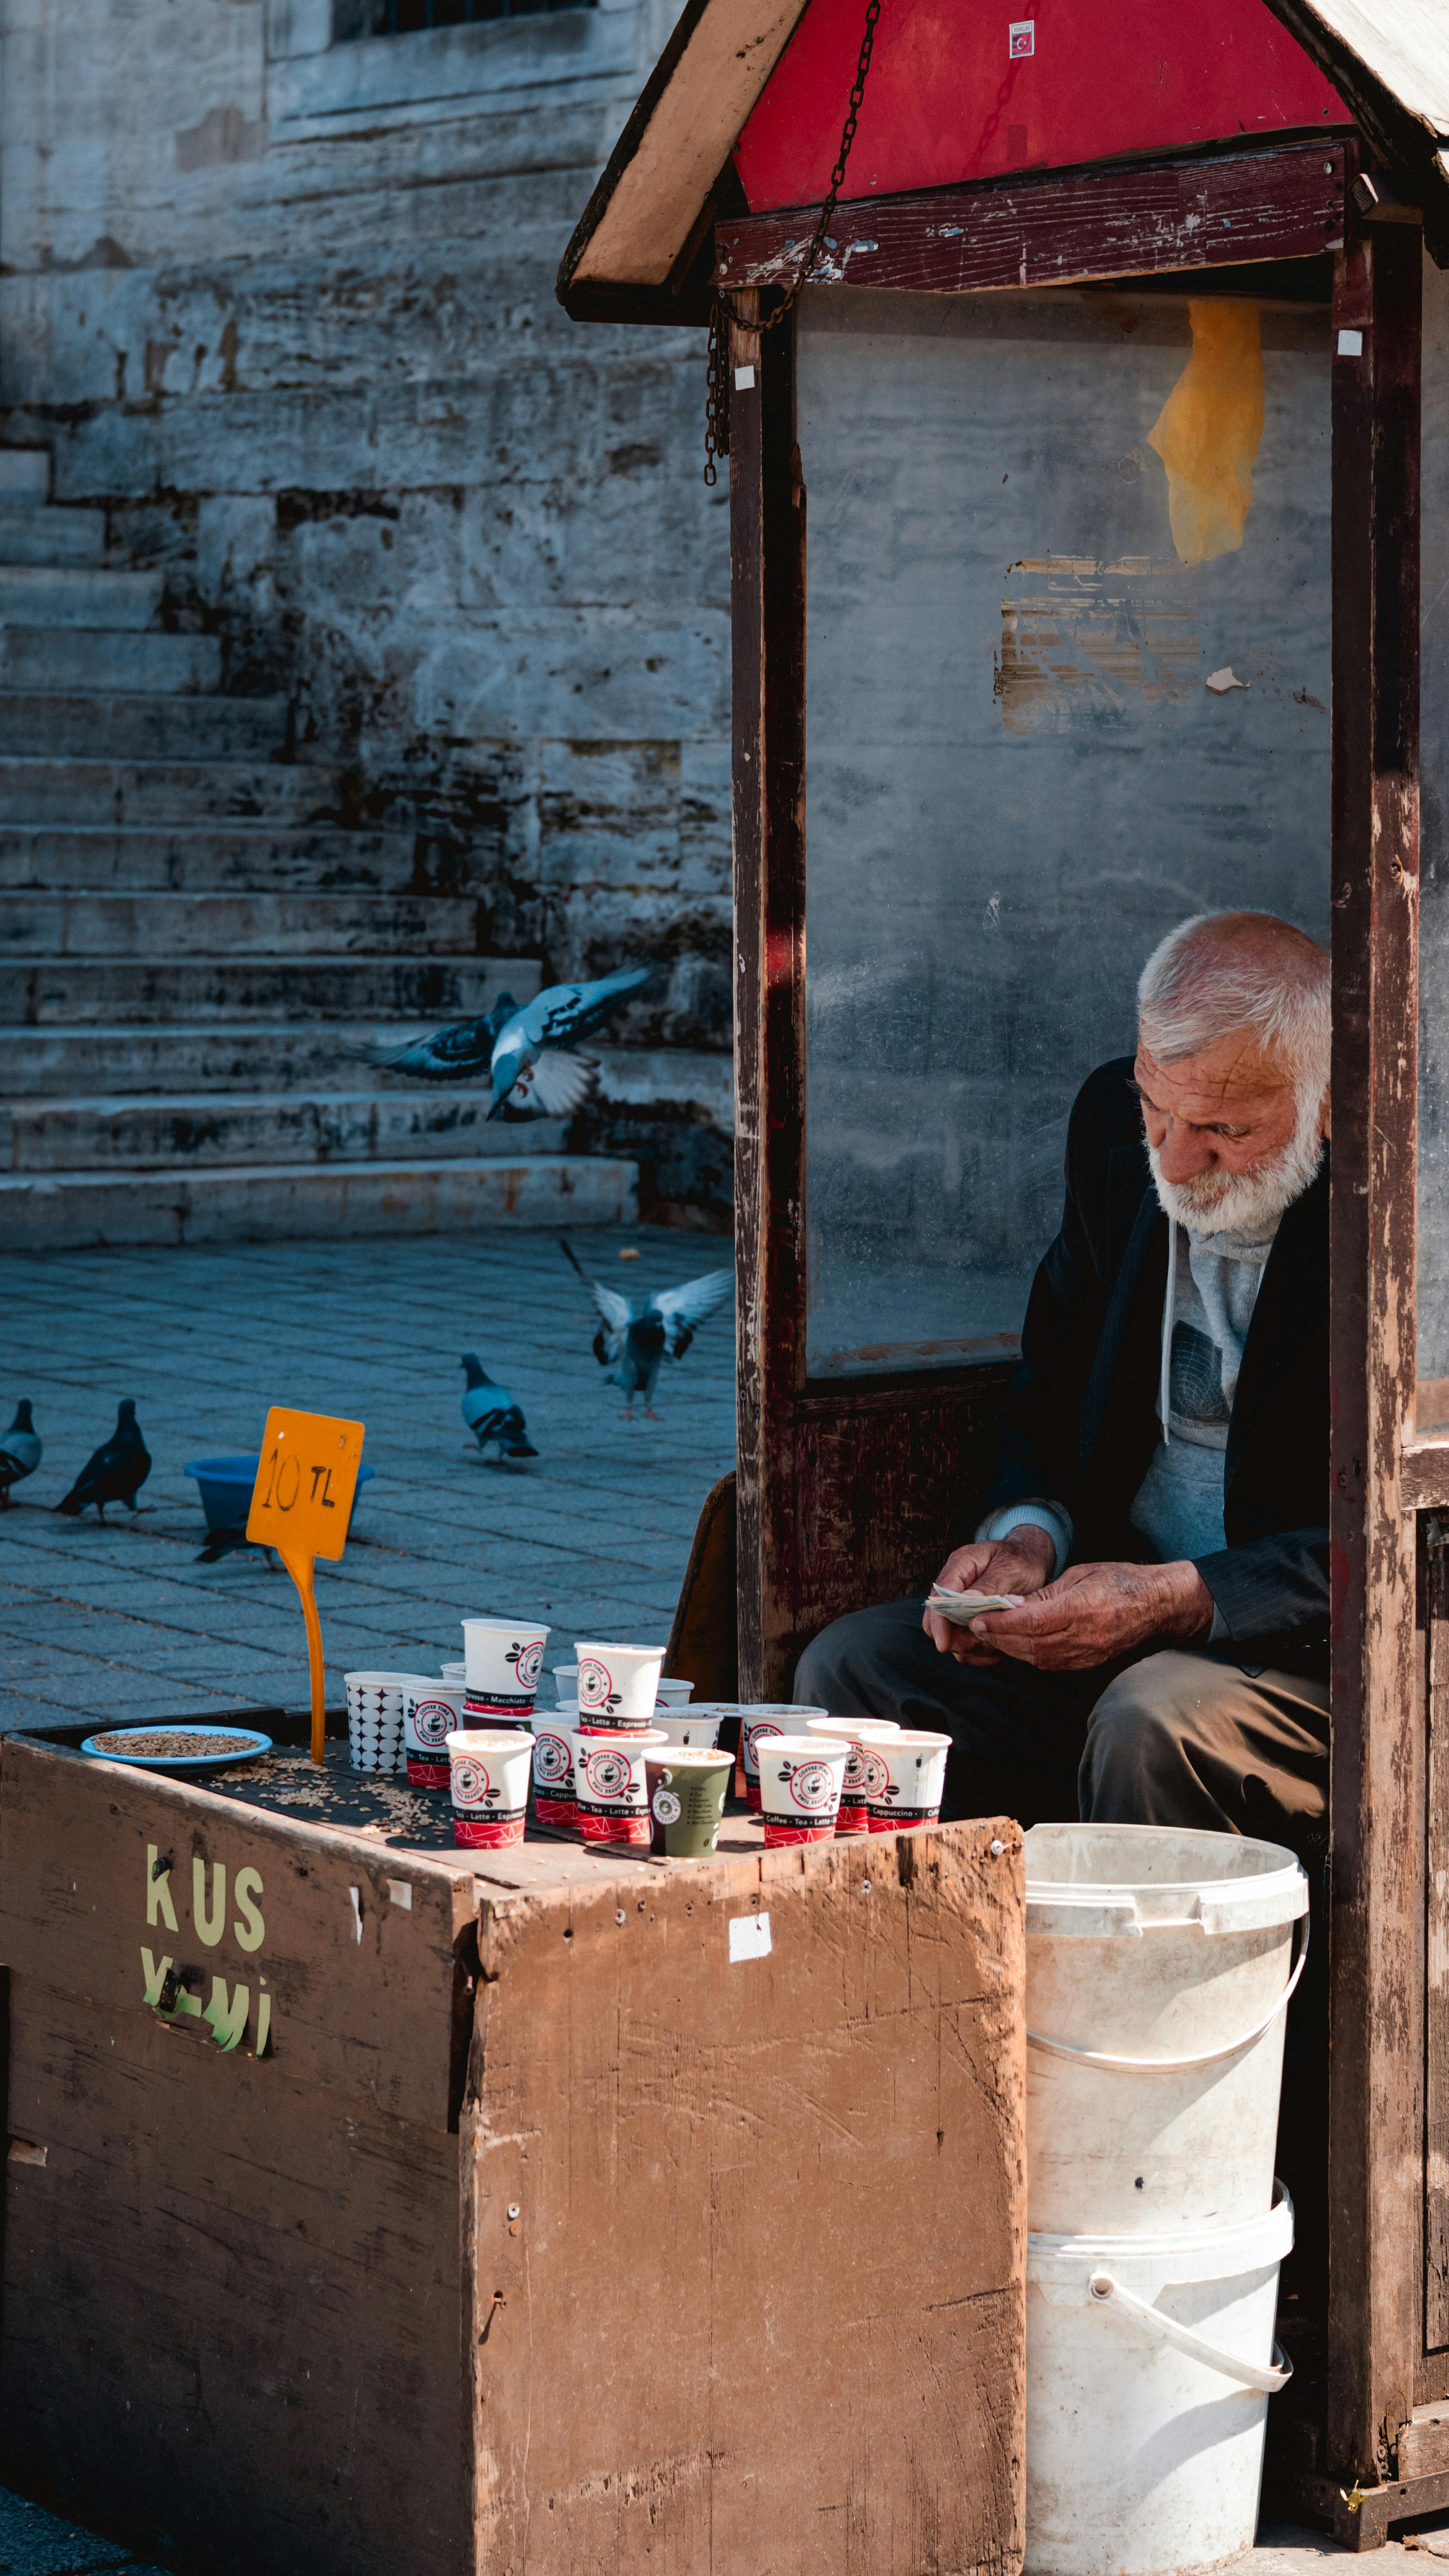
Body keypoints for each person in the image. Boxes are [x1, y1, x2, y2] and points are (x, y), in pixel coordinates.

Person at [795, 908, 1330, 1845]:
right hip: (1120, 1602)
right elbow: (1049, 1383)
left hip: (1317, 1651)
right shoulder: (1111, 1133)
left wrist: (1182, 1597)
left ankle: (1135, 1945)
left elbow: (1413, 1529)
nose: (1176, 1162)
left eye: (1224, 1129)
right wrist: (1028, 1536)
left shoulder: (1409, 1198)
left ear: (1328, 1105)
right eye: (1157, 1108)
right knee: (855, 1671)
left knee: (1151, 1721)